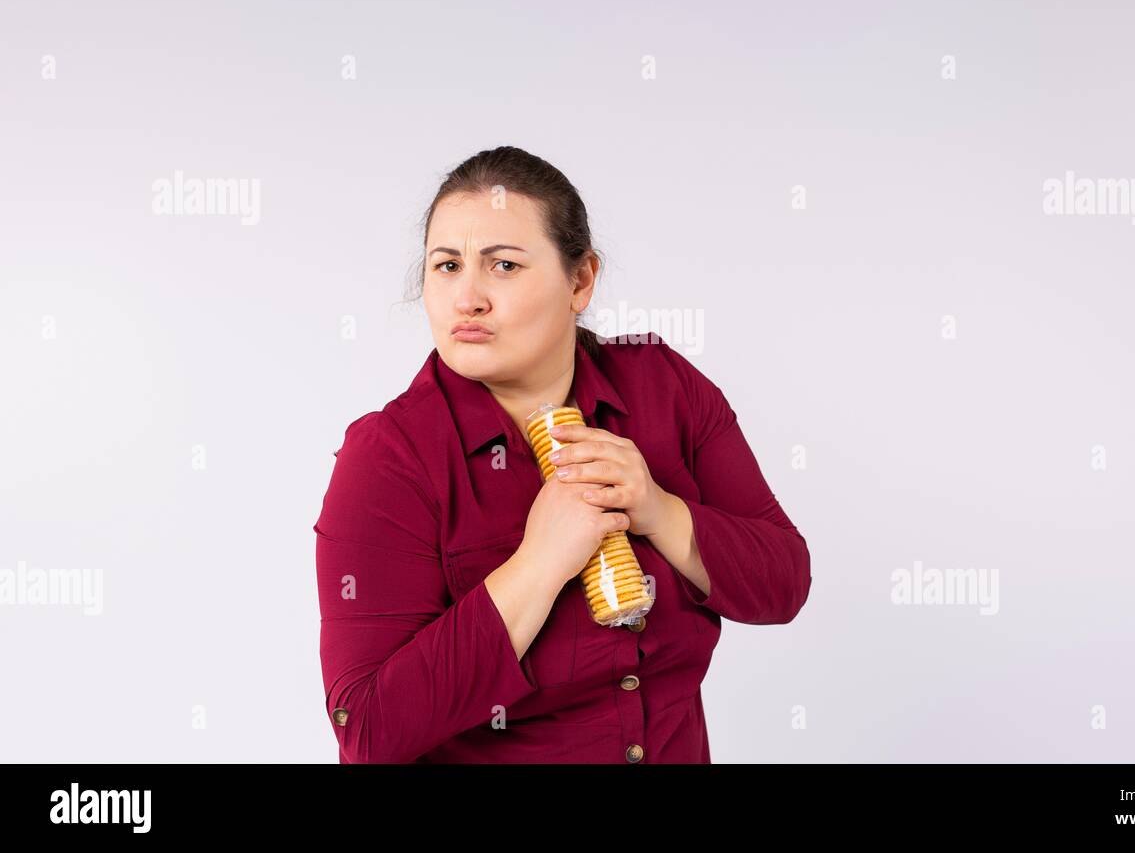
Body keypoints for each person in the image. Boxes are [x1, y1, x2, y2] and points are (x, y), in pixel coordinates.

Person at [313, 146, 812, 763]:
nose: (466, 298)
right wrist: (539, 565)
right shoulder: (390, 456)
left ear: (580, 281)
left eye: (503, 266)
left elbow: (784, 585)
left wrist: (657, 508)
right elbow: (367, 732)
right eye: (446, 266)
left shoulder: (664, 387)